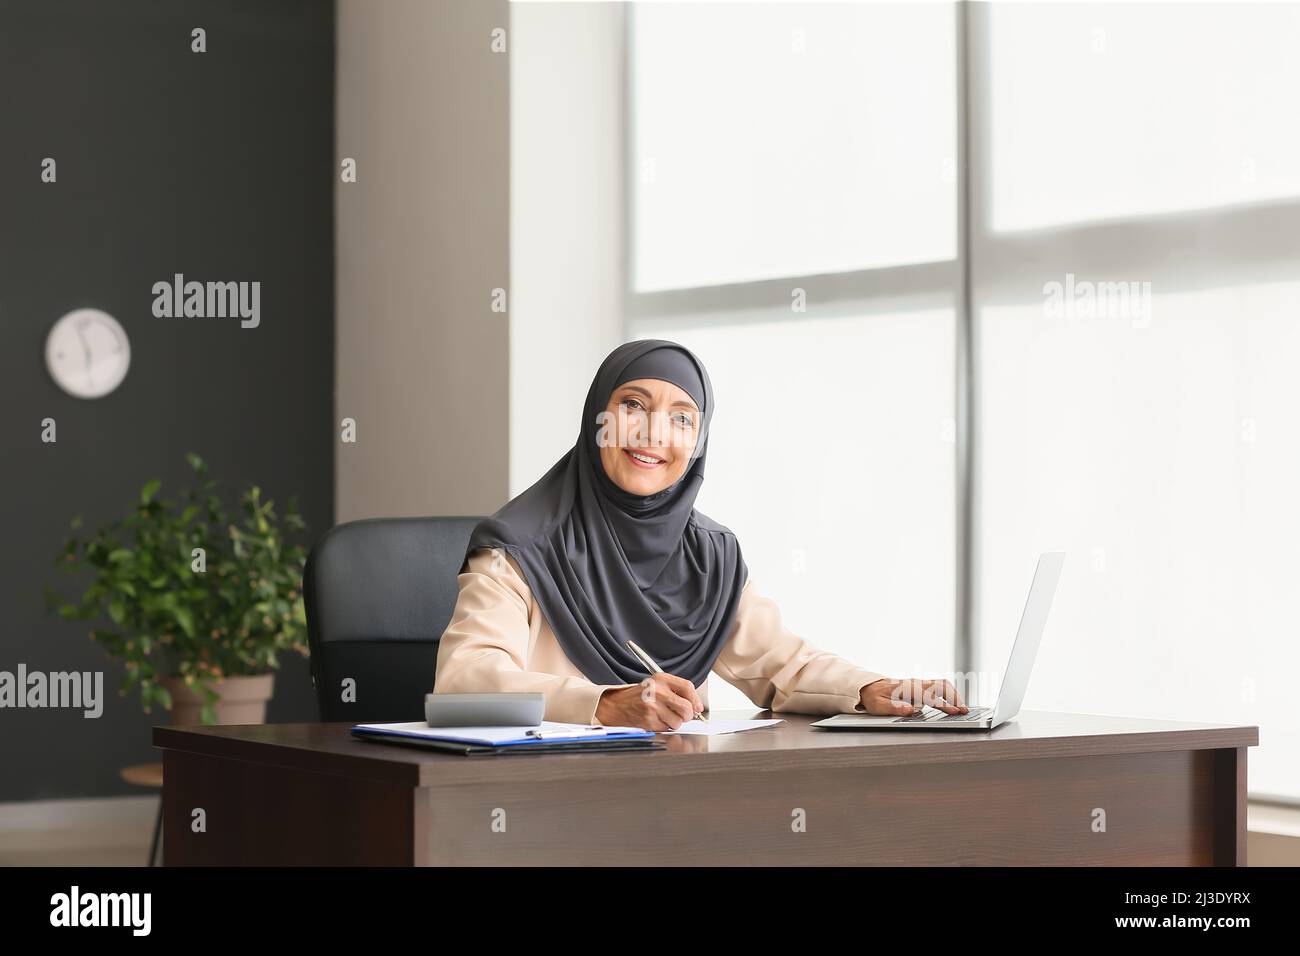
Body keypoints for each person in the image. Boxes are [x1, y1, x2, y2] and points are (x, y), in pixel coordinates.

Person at [433, 339, 966, 730]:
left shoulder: (709, 555)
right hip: (541, 799)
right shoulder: (518, 549)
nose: (654, 435)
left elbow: (783, 665)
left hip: (678, 793)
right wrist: (603, 702)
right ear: (598, 417)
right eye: (633, 406)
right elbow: (465, 680)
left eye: (683, 419)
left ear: (698, 444)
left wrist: (873, 689)